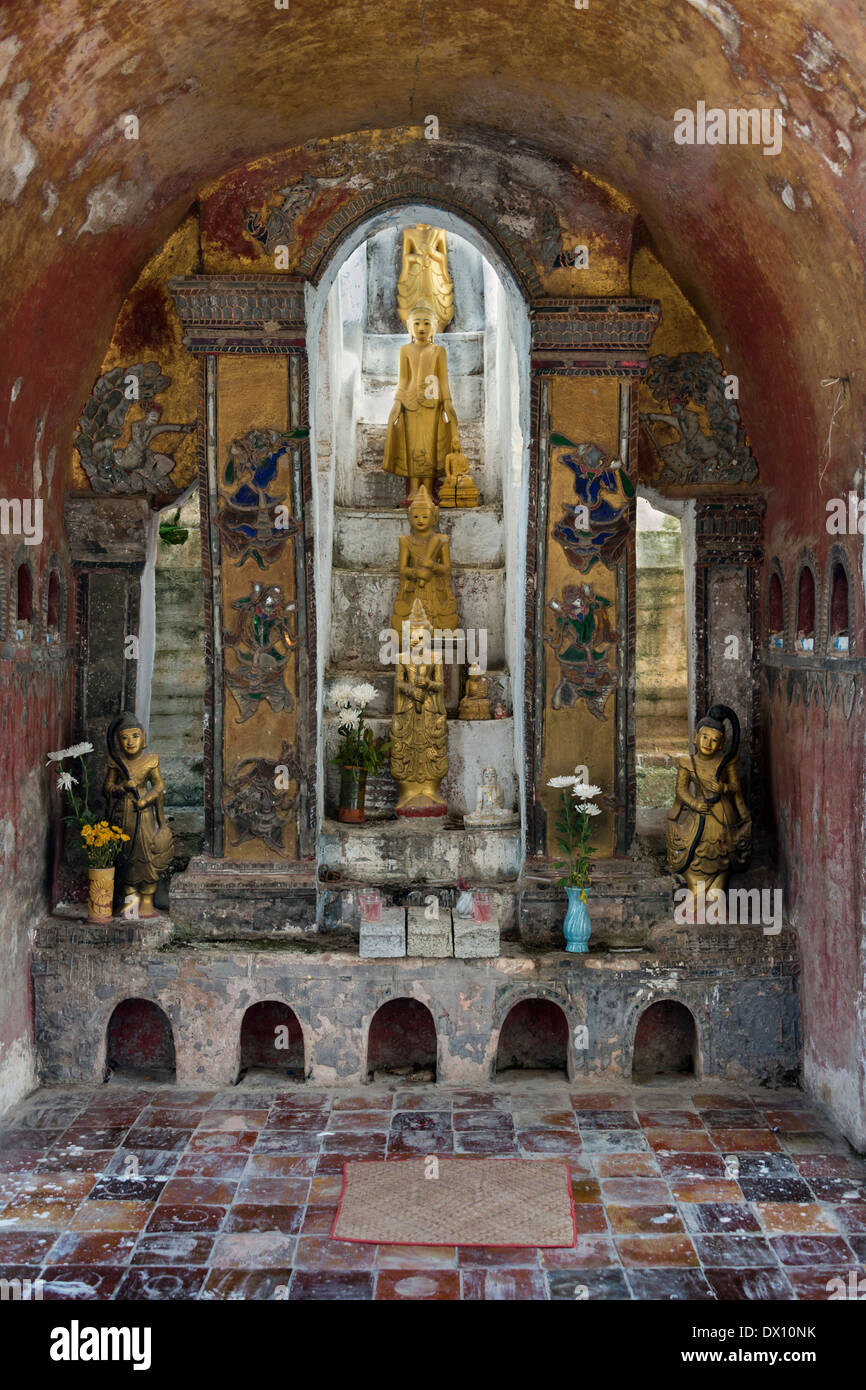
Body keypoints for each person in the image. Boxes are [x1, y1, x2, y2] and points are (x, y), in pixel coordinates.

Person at [666, 705, 752, 913]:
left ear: (721, 743)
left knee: (722, 855)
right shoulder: (688, 763)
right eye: (705, 737)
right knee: (693, 853)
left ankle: (716, 896)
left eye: (715, 740)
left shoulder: (725, 762)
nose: (708, 743)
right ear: (696, 738)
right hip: (699, 814)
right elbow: (681, 791)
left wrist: (723, 787)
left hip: (721, 815)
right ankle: (696, 892)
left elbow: (736, 788)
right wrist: (695, 804)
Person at [382, 304, 460, 499]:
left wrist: (447, 402)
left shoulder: (438, 351)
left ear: (434, 327)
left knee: (430, 445)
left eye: (426, 323)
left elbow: (442, 380)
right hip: (410, 403)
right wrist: (397, 402)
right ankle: (415, 487)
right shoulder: (405, 350)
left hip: (432, 404)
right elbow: (404, 379)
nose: (421, 327)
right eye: (416, 323)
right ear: (409, 327)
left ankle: (427, 486)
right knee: (413, 446)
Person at [103, 712, 174, 917]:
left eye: (134, 736)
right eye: (124, 737)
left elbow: (159, 785)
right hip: (123, 814)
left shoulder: (150, 761)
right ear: (118, 741)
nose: (130, 742)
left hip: (144, 815)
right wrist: (122, 787)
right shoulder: (116, 761)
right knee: (125, 857)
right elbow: (106, 787)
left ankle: (147, 902)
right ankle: (130, 905)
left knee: (146, 857)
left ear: (143, 738)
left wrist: (145, 799)